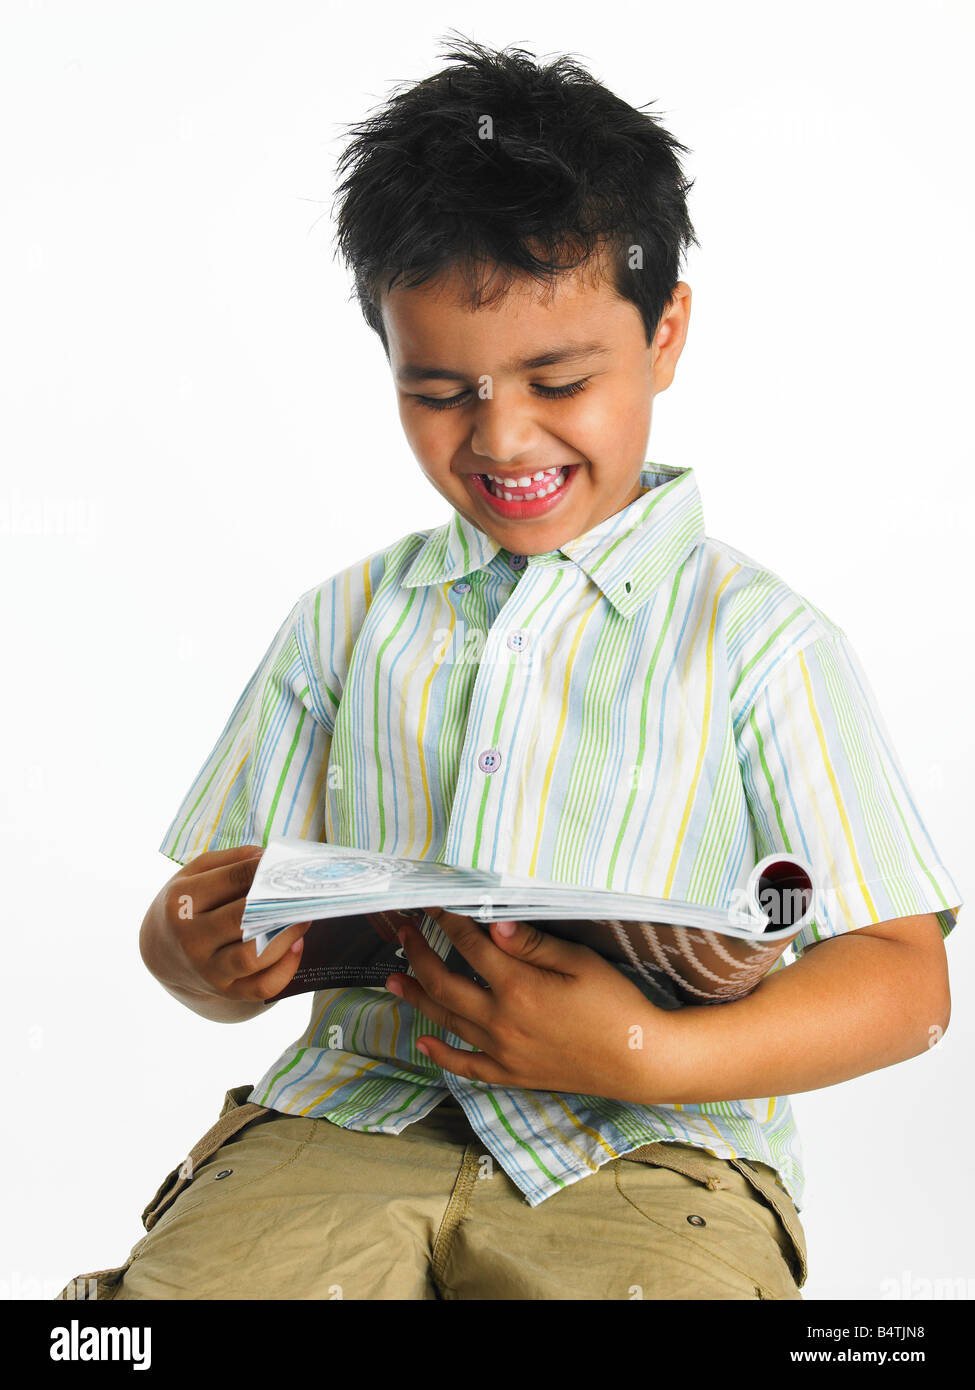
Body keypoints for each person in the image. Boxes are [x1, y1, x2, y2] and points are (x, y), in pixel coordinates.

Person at [56, 35, 962, 1302]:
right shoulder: (345, 622)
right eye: (440, 388)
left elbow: (907, 985)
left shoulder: (766, 648)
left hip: (649, 1157)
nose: (501, 434)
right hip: (346, 1123)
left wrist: (641, 1048)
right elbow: (208, 911)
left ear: (665, 334)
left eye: (559, 379)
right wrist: (193, 954)